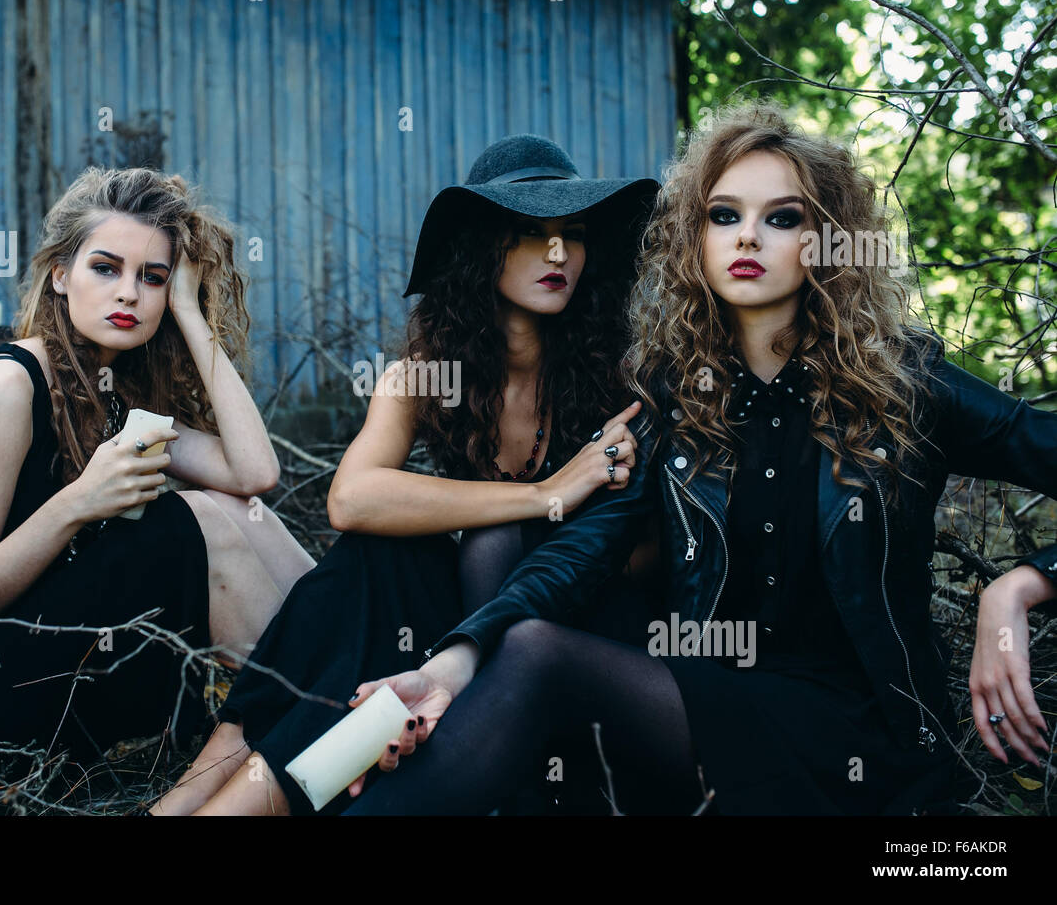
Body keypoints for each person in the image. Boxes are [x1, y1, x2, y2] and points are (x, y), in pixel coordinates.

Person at [341, 101, 1057, 815]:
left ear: (827, 241)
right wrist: (452, 662)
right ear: (695, 237)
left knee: (538, 657)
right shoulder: (677, 392)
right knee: (520, 614)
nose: (748, 236)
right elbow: (579, 553)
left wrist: (1019, 586)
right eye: (723, 215)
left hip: (858, 733)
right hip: (707, 699)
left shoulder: (905, 383)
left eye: (783, 218)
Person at [152, 134, 660, 815]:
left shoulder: (620, 377)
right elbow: (352, 499)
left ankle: (213, 808)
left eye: (573, 234)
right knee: (376, 560)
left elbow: (643, 555)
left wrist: (573, 499)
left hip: (573, 630)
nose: (560, 254)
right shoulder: (426, 375)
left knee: (473, 550)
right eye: (531, 234)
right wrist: (543, 493)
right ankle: (191, 805)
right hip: (468, 627)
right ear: (482, 247)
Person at [0, 167, 316, 762]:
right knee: (194, 518)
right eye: (106, 268)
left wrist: (189, 309)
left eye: (152, 278)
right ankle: (310, 706)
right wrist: (80, 501)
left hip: (41, 661)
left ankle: (328, 673)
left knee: (229, 507)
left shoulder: (113, 398)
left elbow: (254, 476)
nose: (129, 292)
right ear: (60, 275)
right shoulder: (3, 388)